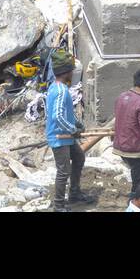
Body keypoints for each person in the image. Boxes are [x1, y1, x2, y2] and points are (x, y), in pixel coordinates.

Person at [46, 59, 97, 211]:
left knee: (79, 157)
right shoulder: (61, 91)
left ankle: (74, 193)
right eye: (71, 71)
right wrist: (72, 129)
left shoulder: (58, 87)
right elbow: (57, 117)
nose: (72, 74)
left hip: (66, 135)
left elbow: (66, 112)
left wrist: (76, 123)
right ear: (66, 72)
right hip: (59, 137)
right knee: (63, 171)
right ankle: (59, 205)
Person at [113, 68, 140, 204]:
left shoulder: (121, 97)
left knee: (137, 177)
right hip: (137, 150)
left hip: (122, 146)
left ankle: (135, 200)